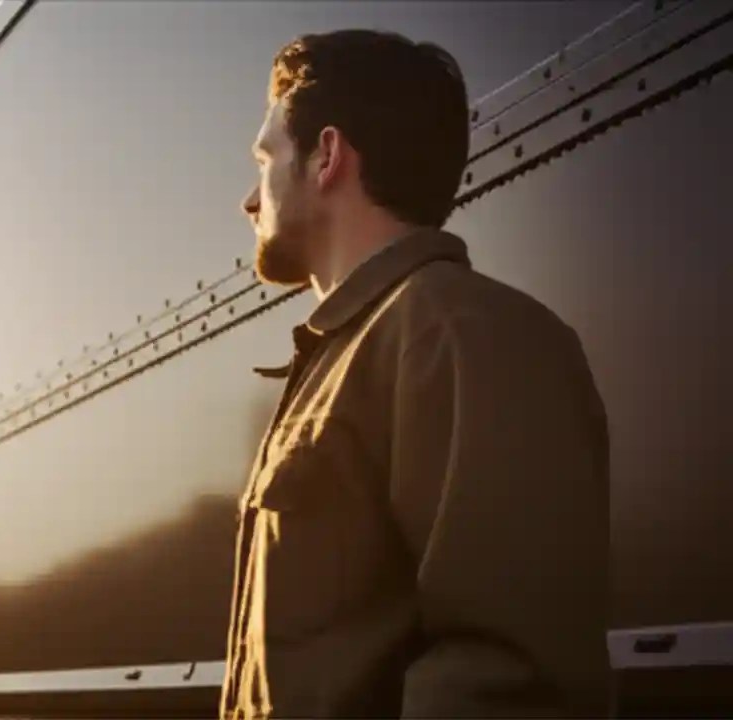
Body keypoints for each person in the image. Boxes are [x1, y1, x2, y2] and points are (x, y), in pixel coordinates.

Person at [221, 29, 611, 719]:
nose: (249, 203)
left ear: (327, 156)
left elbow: (506, 681)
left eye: (264, 161)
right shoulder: (359, 350)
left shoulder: (465, 335)